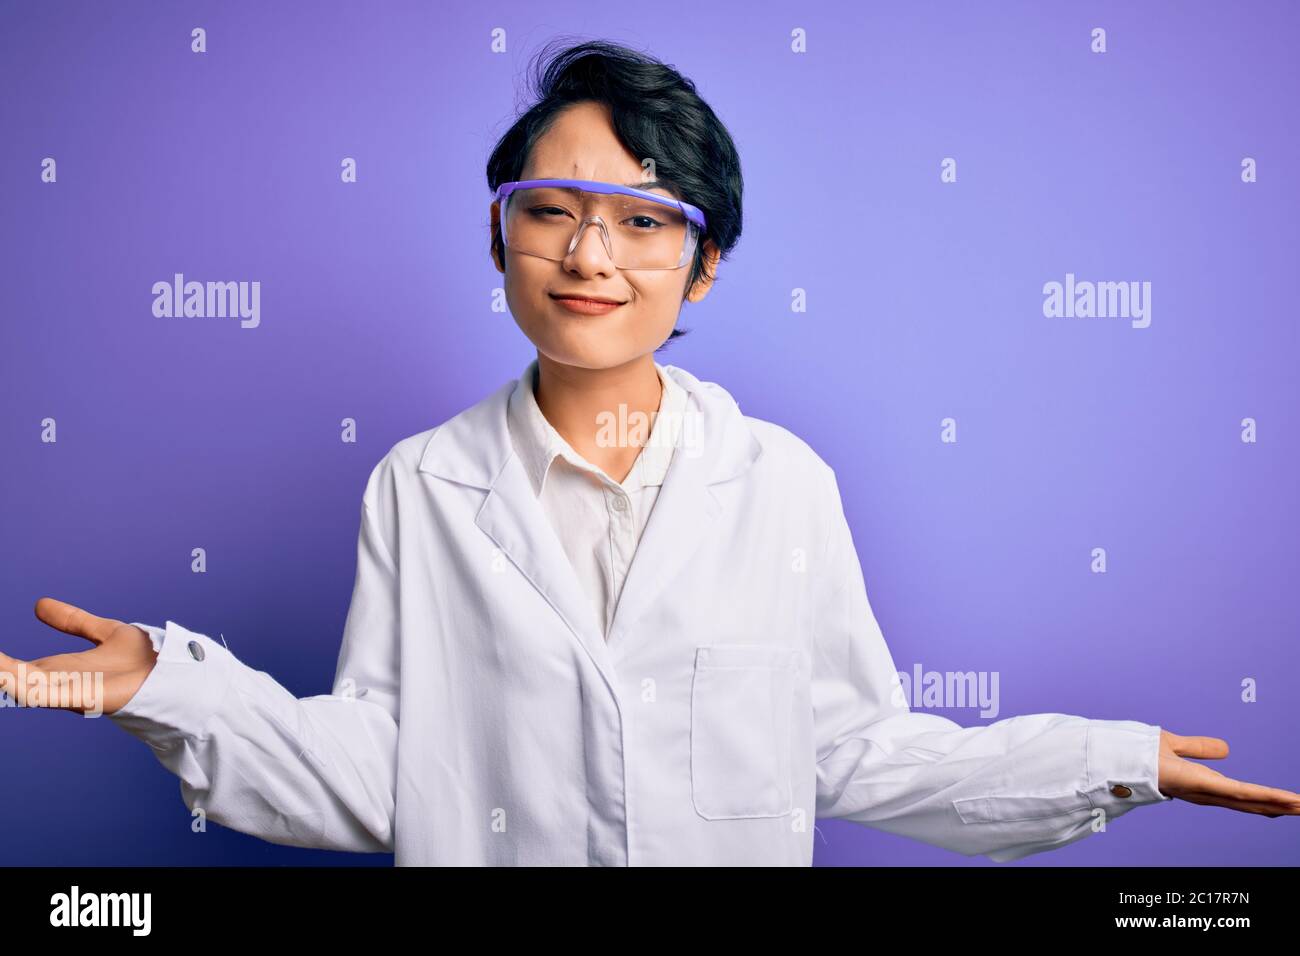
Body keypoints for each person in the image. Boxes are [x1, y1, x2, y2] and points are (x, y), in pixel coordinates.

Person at [5, 39, 1297, 866]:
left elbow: (851, 750)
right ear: (498, 241)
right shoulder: (419, 485)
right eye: (549, 213)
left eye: (640, 221)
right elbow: (391, 774)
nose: (588, 255)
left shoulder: (781, 484)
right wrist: (173, 688)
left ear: (705, 267)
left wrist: (1108, 762)